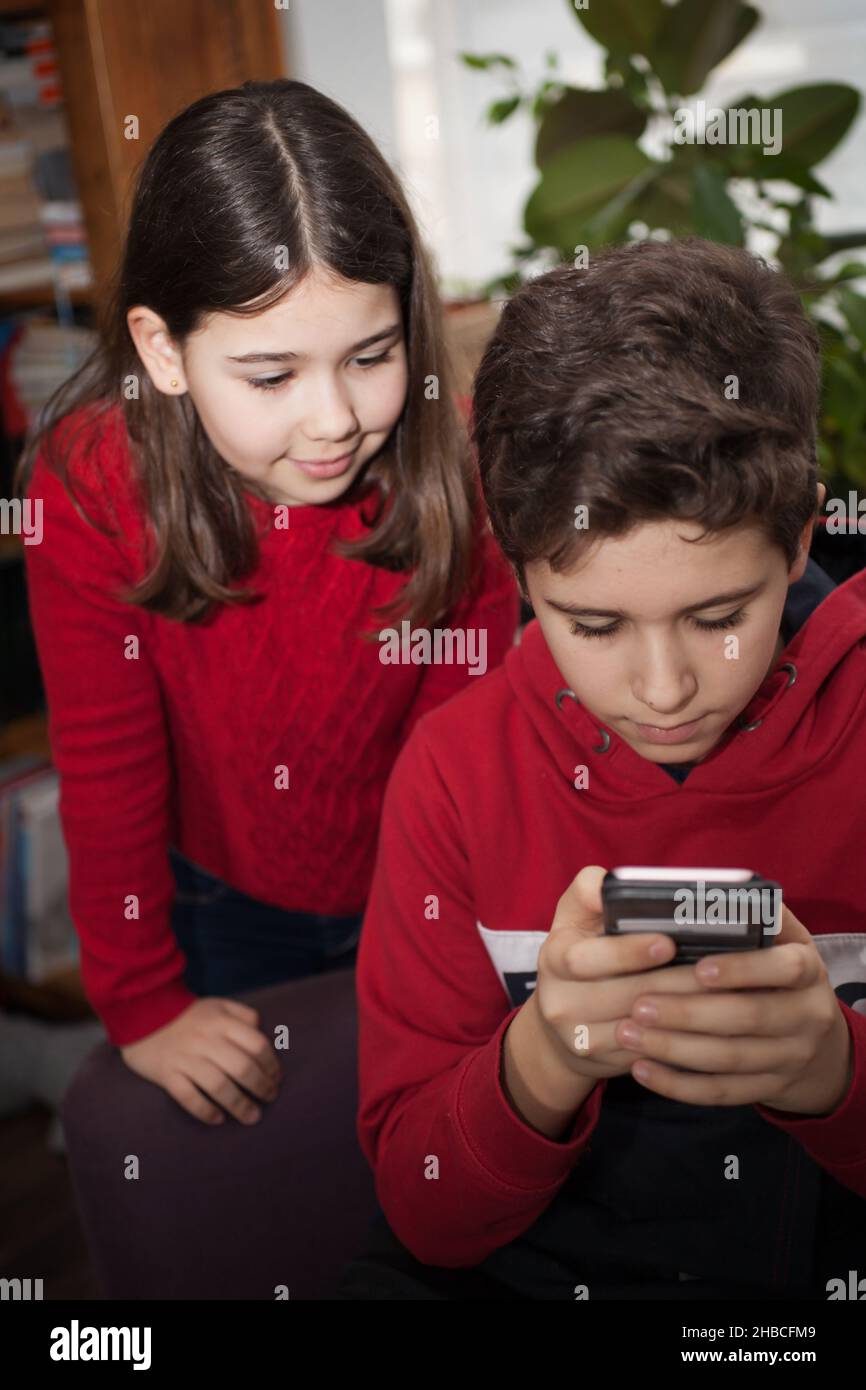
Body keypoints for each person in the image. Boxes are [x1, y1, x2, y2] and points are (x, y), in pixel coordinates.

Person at [340, 237, 866, 1300]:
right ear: (518, 568)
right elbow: (423, 1204)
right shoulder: (453, 775)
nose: (664, 688)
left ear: (804, 532)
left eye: (718, 616)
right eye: (592, 623)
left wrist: (833, 1078)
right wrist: (541, 1055)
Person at [17, 79, 518, 1129]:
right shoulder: (90, 486)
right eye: (269, 373)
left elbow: (460, 744)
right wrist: (143, 1004)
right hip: (216, 909)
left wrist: (438, 917)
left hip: (425, 880)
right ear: (163, 351)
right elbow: (107, 771)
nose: (333, 420)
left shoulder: (456, 466)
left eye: (370, 358)